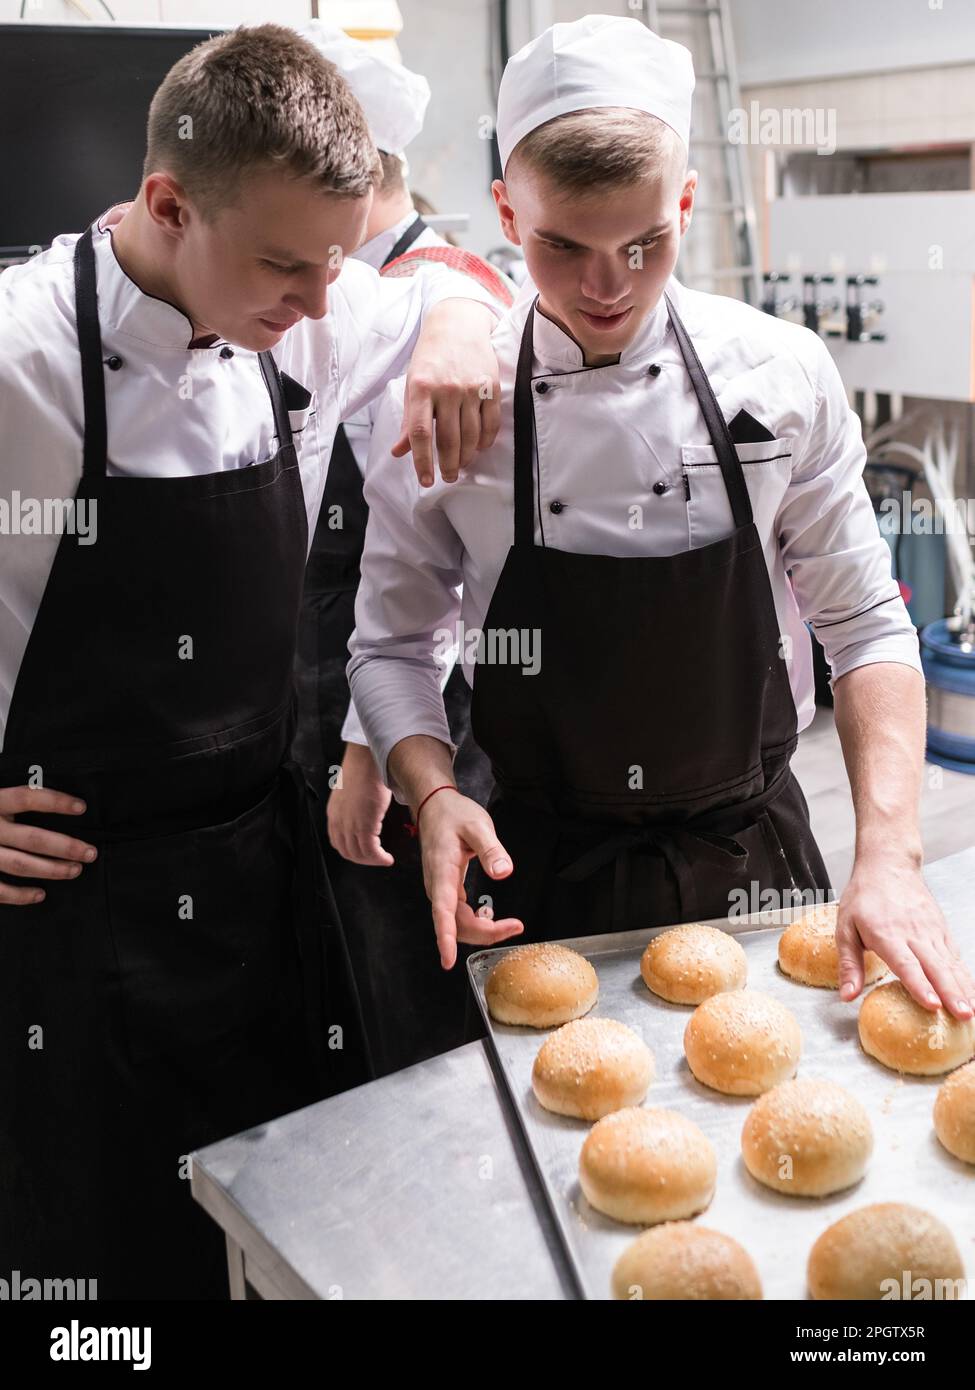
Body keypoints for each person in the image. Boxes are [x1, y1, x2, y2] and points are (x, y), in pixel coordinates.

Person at [0, 24, 506, 1299]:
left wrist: (452, 309)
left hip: (253, 879)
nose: (324, 303)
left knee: (281, 1213)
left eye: (339, 262)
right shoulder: (18, 361)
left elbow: (452, 286)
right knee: (103, 1270)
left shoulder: (303, 311)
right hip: (72, 908)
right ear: (167, 204)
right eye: (288, 264)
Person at [347, 15, 975, 1023]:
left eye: (647, 243)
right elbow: (388, 649)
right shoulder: (452, 405)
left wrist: (891, 853)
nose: (608, 286)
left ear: (686, 201)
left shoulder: (778, 373)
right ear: (507, 213)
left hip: (756, 857)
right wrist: (431, 790)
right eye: (565, 245)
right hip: (532, 874)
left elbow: (865, 627)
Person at [291, 25, 503, 1075]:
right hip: (330, 683)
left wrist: (363, 750)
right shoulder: (336, 293)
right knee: (355, 977)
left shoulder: (436, 312)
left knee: (415, 983)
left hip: (402, 713)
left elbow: (436, 574)